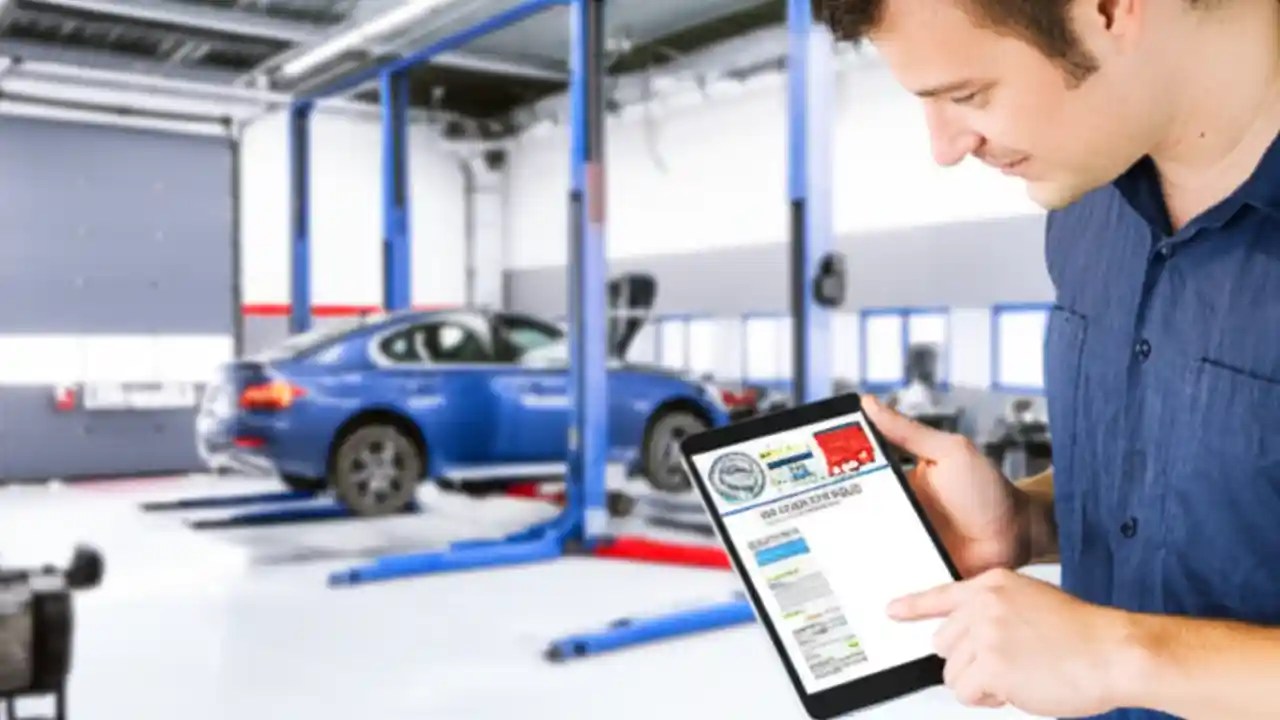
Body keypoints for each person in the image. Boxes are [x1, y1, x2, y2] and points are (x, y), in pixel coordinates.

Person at [811, 1, 1280, 718]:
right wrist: (1028, 522)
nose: (944, 146)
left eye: (969, 95)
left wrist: (1123, 656)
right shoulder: (1089, 203)